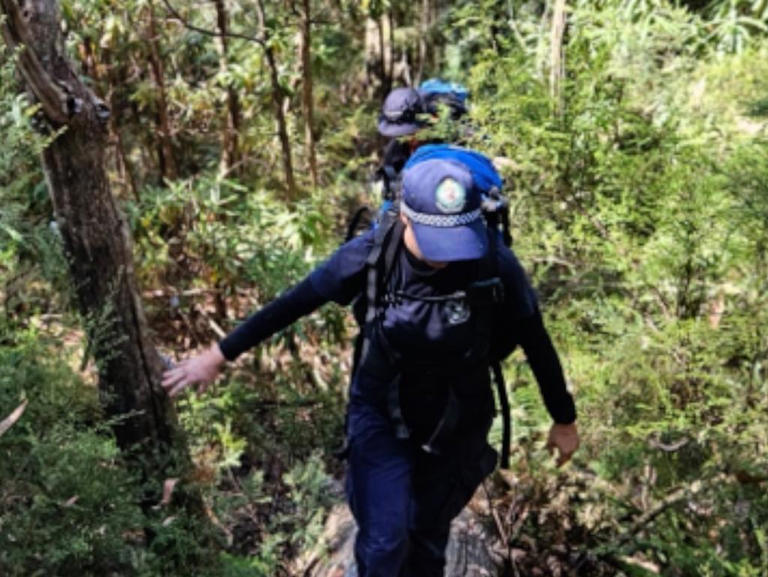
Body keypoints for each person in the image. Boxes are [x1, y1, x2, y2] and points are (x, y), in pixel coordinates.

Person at [162, 158, 579, 577]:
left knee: (428, 541)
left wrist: (564, 418)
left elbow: (535, 339)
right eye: (437, 239)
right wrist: (218, 355)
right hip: (382, 409)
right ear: (404, 217)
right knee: (384, 542)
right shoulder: (371, 255)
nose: (447, 256)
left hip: (458, 417)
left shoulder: (493, 260)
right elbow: (294, 302)